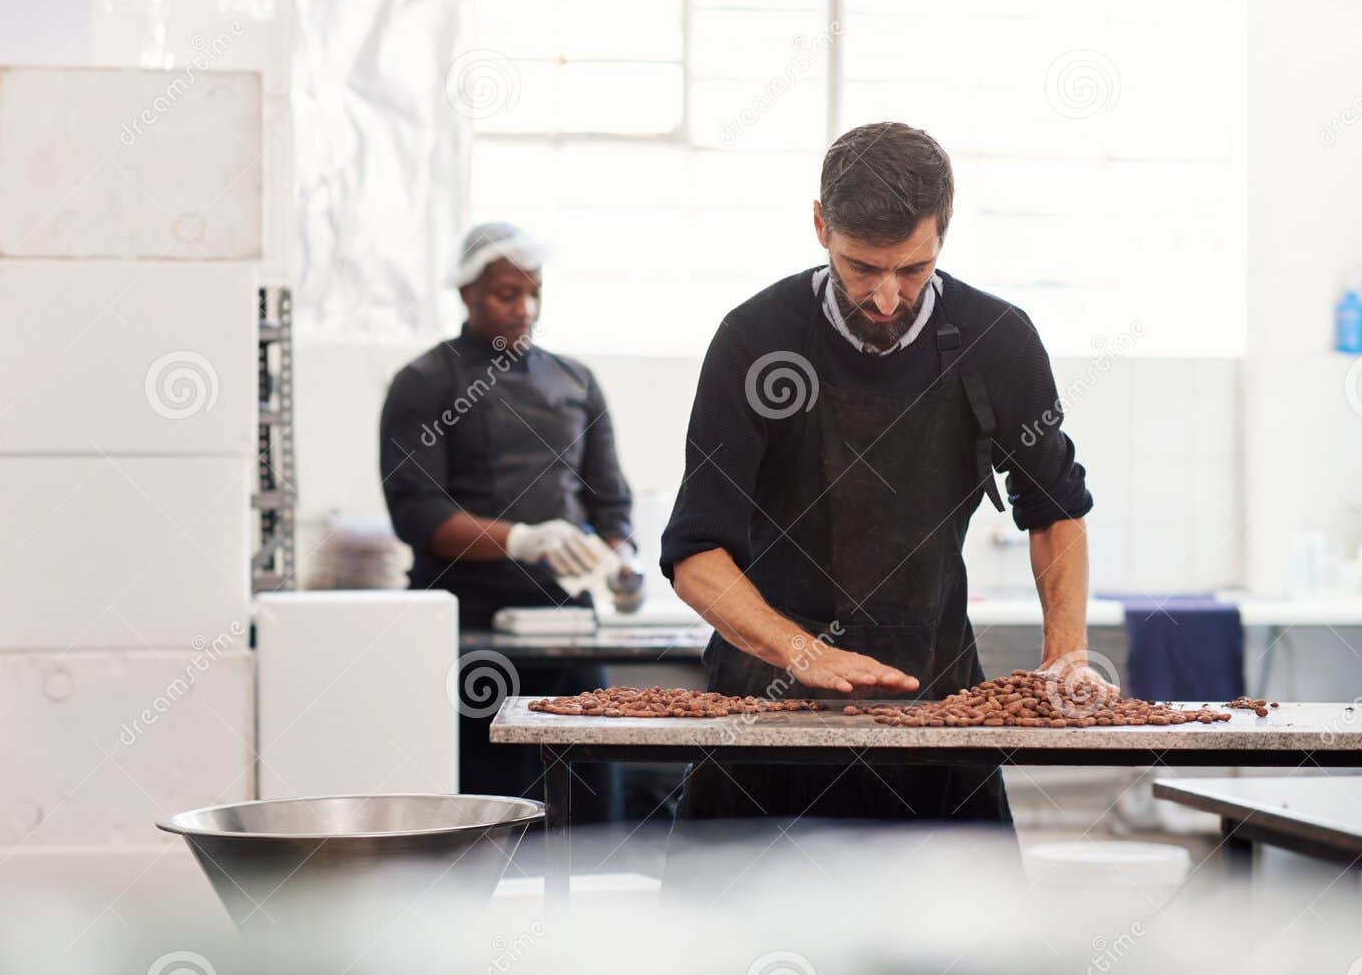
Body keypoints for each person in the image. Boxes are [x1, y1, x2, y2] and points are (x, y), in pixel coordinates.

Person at [661, 123, 1095, 824]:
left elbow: (1053, 508)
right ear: (819, 225)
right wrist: (799, 653)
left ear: (942, 235)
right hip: (769, 714)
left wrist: (1065, 655)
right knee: (740, 929)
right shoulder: (755, 341)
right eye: (863, 267)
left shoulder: (997, 342)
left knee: (953, 933)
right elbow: (694, 553)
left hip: (940, 712)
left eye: (913, 269)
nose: (888, 298)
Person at [380, 222, 643, 819]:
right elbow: (417, 513)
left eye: (534, 292)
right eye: (505, 293)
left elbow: (612, 506)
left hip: (566, 628)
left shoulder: (575, 381)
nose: (524, 309)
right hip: (471, 629)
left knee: (585, 812)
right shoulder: (423, 383)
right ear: (467, 293)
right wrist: (522, 539)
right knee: (485, 810)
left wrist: (615, 566)